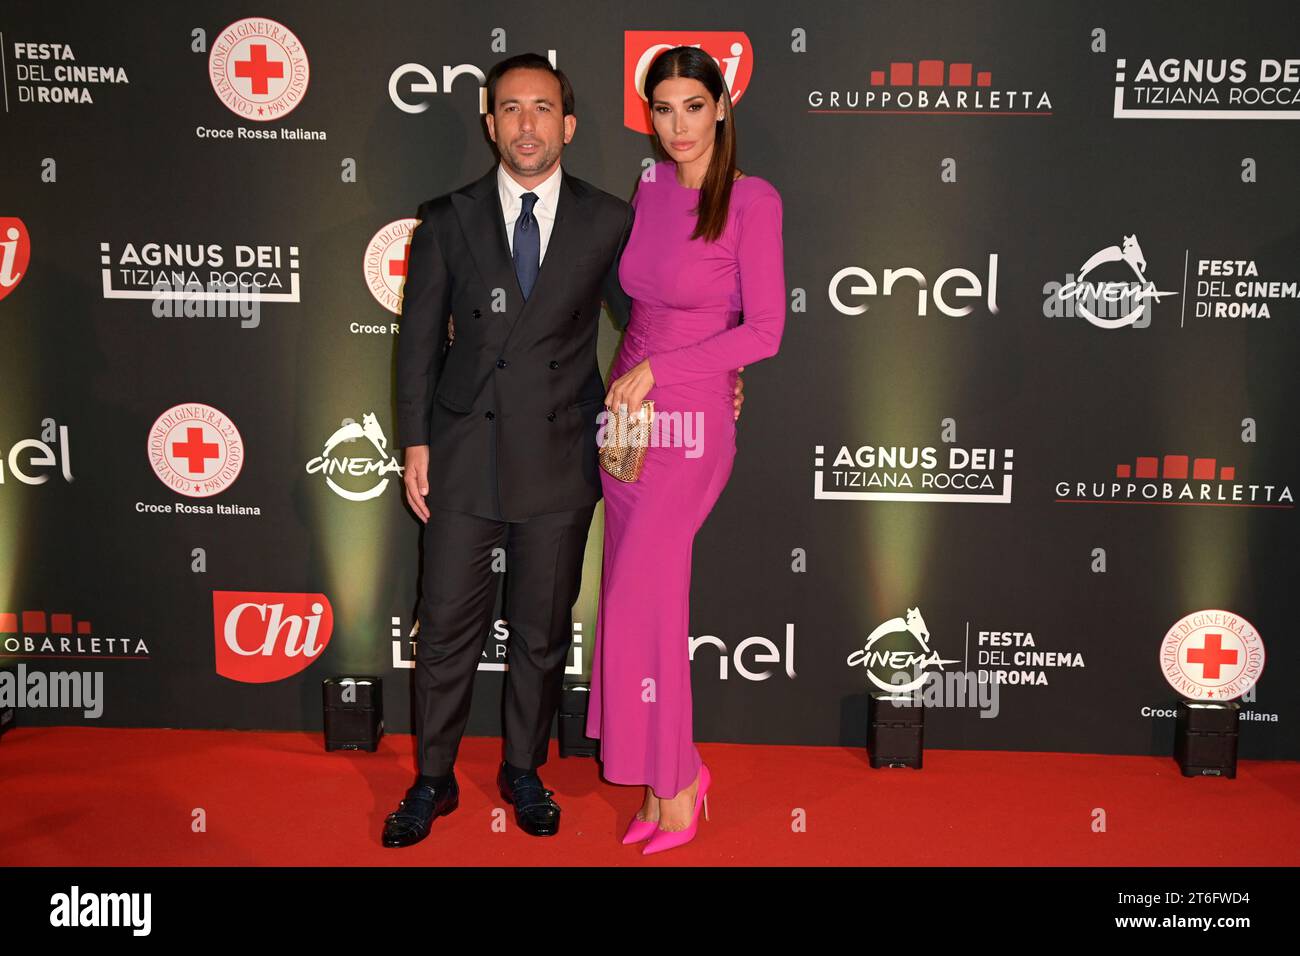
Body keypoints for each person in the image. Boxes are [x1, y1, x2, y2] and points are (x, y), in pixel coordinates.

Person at [384, 53, 744, 848]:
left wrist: (717, 373)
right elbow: (415, 346)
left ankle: (523, 770)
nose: (526, 125)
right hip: (462, 450)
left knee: (543, 630)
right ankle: (433, 779)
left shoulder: (609, 220)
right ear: (490, 123)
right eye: (510, 109)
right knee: (444, 626)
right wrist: (415, 443)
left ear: (569, 126)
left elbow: (656, 312)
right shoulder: (445, 217)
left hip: (560, 449)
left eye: (542, 109)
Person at [586, 46, 786, 855]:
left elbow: (765, 332)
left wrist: (669, 371)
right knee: (631, 605)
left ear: (721, 108)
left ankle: (674, 788)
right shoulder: (648, 188)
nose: (677, 126)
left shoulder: (751, 199)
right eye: (662, 109)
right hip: (626, 418)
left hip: (691, 419)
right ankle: (671, 772)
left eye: (692, 107)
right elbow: (635, 299)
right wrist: (631, 376)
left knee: (648, 602)